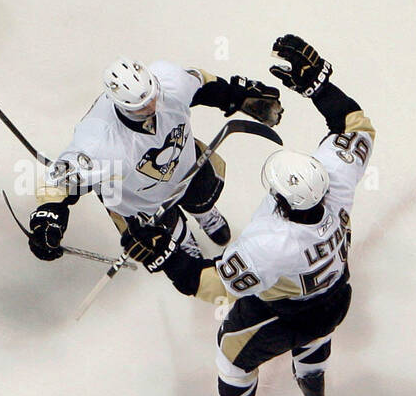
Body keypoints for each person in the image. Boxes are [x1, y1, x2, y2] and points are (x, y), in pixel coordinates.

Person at [117, 36, 374, 396]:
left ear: (280, 198)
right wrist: (319, 86)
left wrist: (165, 254)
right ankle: (312, 375)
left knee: (232, 353)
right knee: (318, 328)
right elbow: (355, 125)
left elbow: (208, 286)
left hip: (287, 313)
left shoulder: (269, 244)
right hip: (338, 294)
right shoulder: (337, 180)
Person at [28, 59, 283, 269]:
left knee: (202, 194)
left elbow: (202, 83)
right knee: (169, 236)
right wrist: (47, 219)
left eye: (152, 96)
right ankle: (184, 239)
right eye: (141, 107)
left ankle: (204, 212)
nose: (153, 106)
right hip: (140, 203)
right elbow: (57, 183)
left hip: (185, 165)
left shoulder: (167, 82)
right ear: (121, 106)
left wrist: (237, 97)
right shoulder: (97, 142)